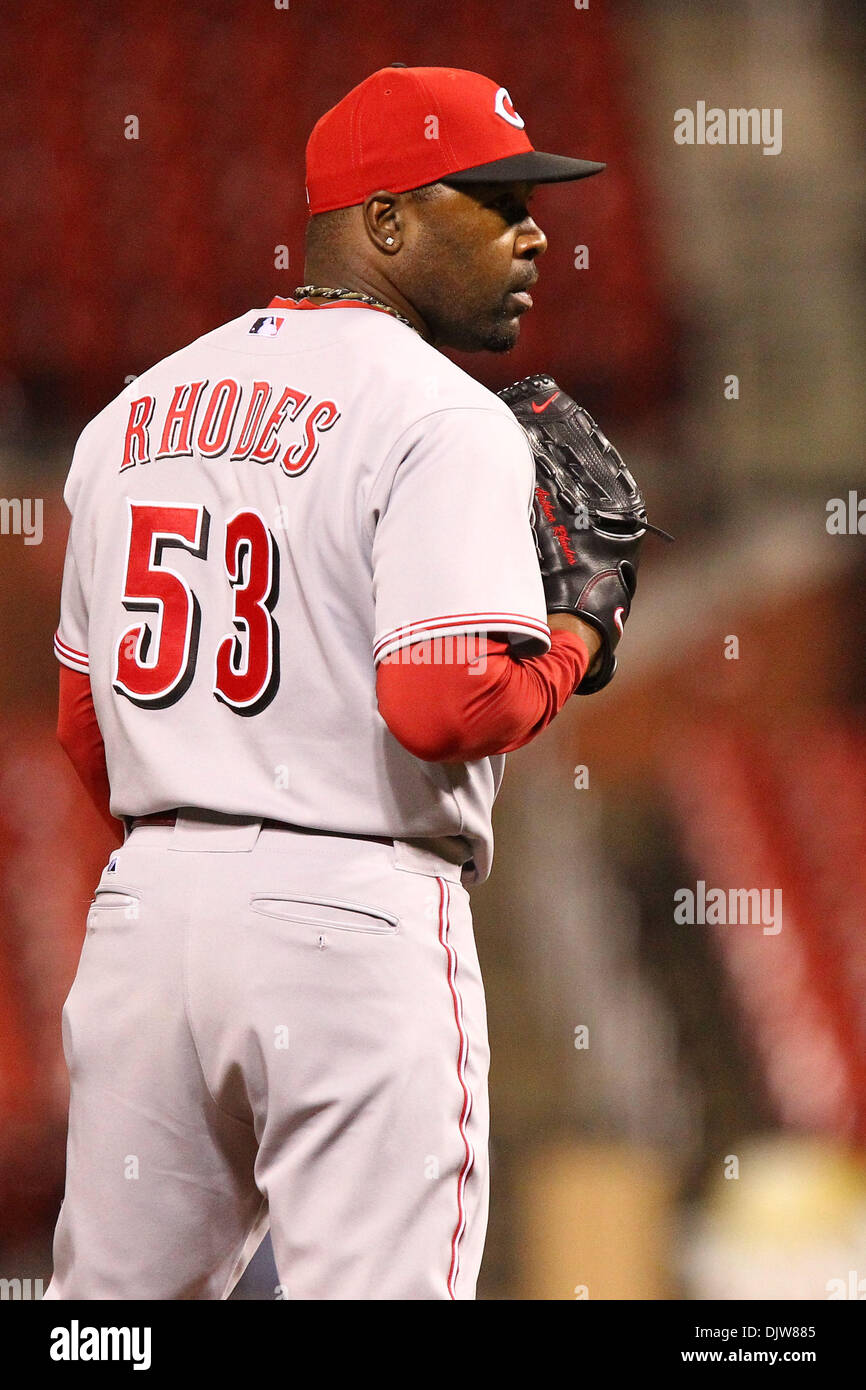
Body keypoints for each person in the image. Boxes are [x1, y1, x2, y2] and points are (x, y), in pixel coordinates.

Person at [47, 65, 607, 1300]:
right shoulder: (441, 415)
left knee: (111, 1324)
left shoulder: (129, 417)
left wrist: (200, 840)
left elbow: (87, 729)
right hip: (351, 914)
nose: (534, 231)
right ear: (385, 221)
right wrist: (575, 633)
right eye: (495, 197)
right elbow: (443, 704)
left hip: (145, 917)